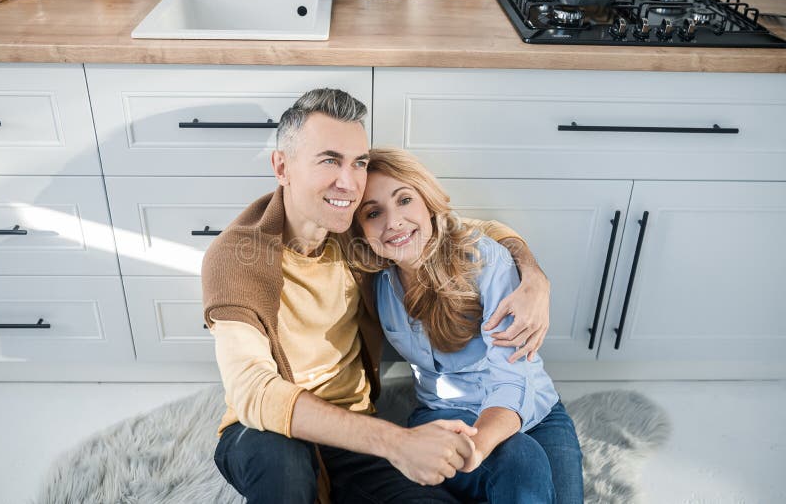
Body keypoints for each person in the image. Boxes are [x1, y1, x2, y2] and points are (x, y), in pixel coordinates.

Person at [201, 88, 554, 503]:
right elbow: (253, 392)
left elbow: (452, 227)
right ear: (282, 167)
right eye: (329, 160)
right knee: (286, 473)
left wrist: (532, 276)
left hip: (354, 436)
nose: (348, 182)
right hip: (264, 434)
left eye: (359, 163)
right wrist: (394, 442)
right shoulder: (236, 257)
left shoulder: (355, 228)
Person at [346, 147, 584, 504]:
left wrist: (478, 446)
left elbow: (512, 379)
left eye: (405, 199)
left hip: (536, 410)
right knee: (521, 460)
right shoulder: (376, 281)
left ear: (427, 202)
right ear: (361, 230)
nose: (393, 221)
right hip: (442, 414)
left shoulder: (484, 259)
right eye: (374, 212)